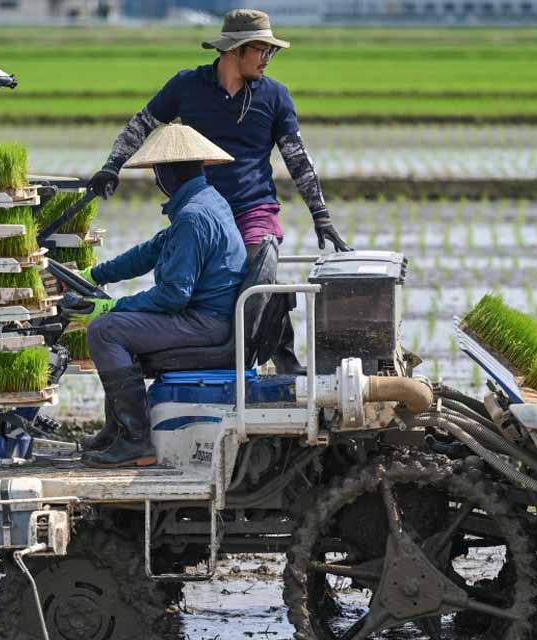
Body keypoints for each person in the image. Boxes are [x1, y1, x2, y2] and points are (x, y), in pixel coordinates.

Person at [87, 8, 351, 375]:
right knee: (192, 286)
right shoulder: (187, 86)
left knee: (258, 272)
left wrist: (321, 215)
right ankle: (195, 346)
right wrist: (112, 165)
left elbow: (297, 158)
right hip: (205, 210)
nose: (267, 59)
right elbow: (142, 125)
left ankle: (284, 358)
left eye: (271, 51)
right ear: (234, 50)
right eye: (261, 50)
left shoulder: (275, 96)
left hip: (254, 209)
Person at [70, 124, 247, 468]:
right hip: (211, 316)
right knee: (115, 324)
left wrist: (112, 307)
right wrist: (94, 275)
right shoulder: (206, 201)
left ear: (168, 173)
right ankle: (117, 429)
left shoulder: (193, 218)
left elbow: (173, 296)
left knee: (105, 330)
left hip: (206, 323)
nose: (155, 181)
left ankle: (135, 439)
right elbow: (152, 251)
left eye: (157, 172)